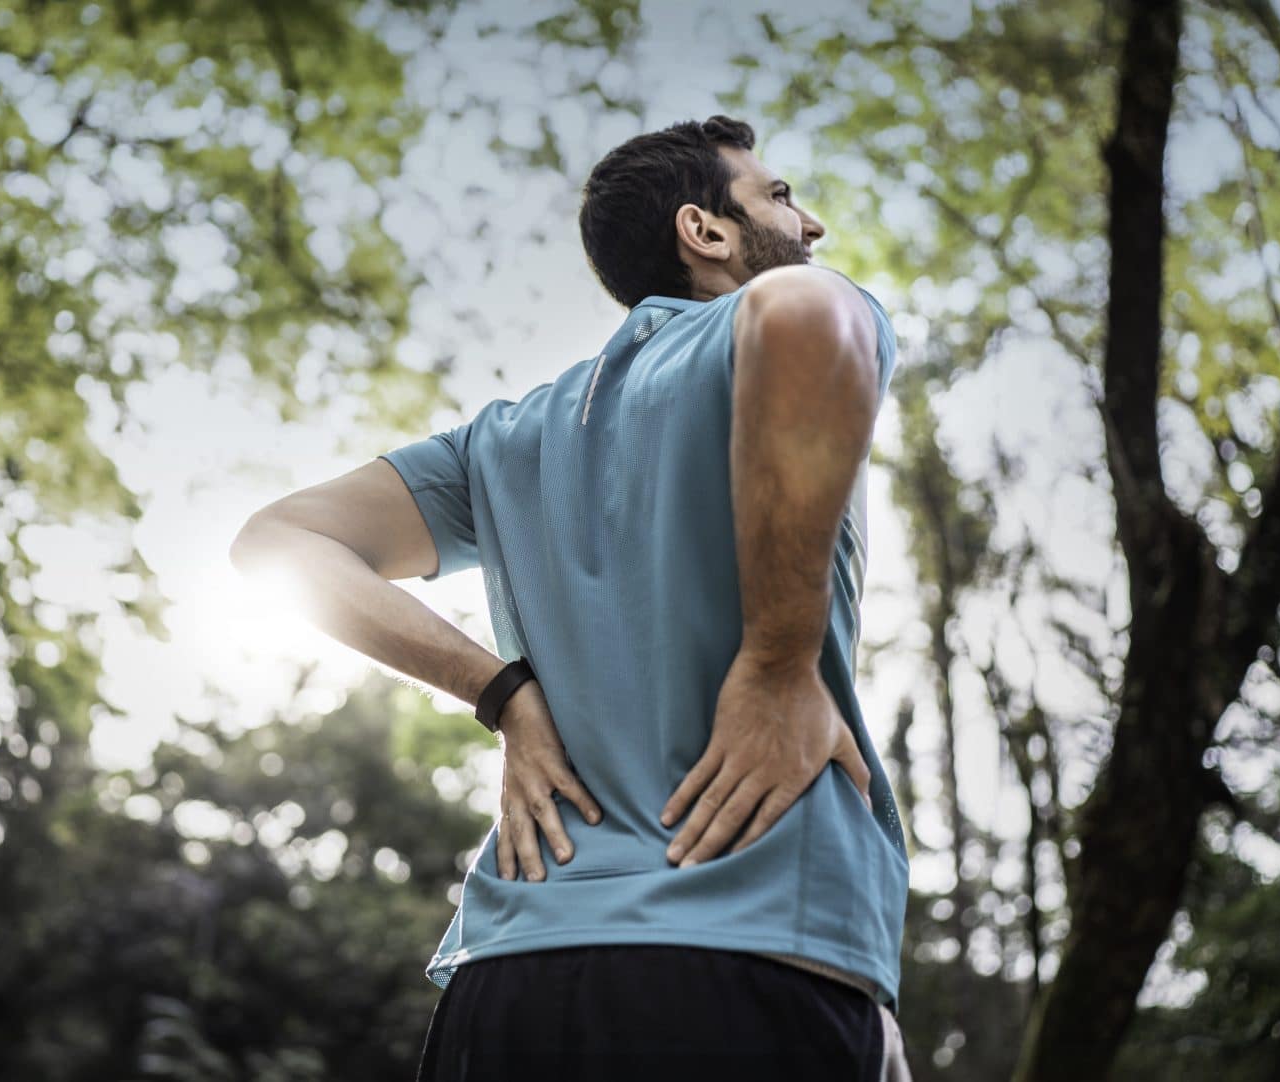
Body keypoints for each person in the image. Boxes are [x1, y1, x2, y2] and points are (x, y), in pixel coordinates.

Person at [230, 114, 912, 1081]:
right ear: (704, 231)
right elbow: (811, 313)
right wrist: (777, 664)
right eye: (778, 197)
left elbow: (279, 542)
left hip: (510, 976)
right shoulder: (792, 311)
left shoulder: (502, 440)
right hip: (752, 943)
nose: (811, 228)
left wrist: (502, 694)